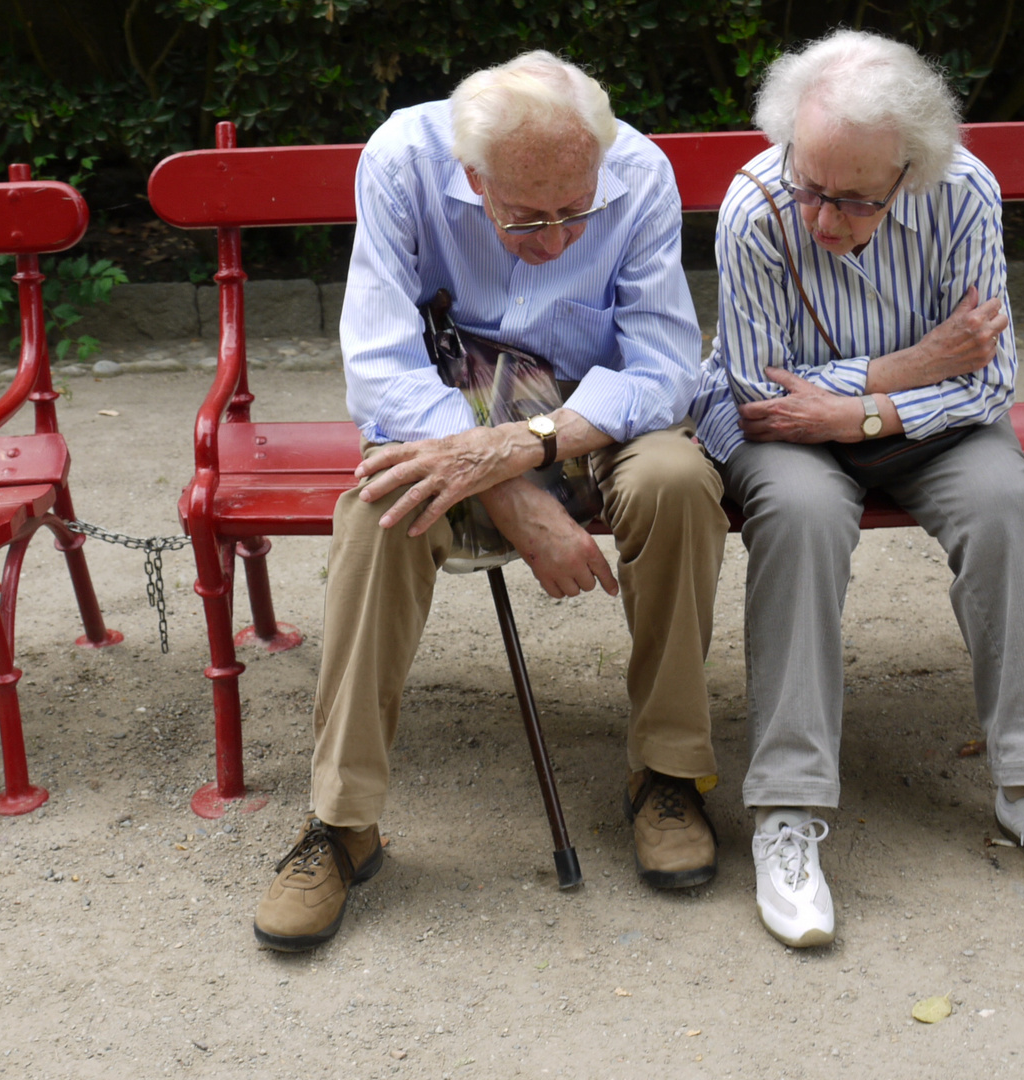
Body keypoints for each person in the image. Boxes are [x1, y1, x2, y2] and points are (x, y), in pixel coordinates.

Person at [252, 51, 729, 951]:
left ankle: (667, 774)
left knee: (676, 480)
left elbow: (666, 369)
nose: (555, 241)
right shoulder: (403, 158)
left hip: (594, 420)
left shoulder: (636, 169)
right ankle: (342, 824)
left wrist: (533, 445)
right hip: (446, 417)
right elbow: (383, 368)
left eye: (574, 212)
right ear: (473, 177)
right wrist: (516, 497)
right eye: (525, 217)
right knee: (378, 508)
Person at [692, 29, 1024, 949]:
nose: (821, 220)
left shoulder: (965, 194)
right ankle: (788, 813)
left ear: (910, 171)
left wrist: (855, 411)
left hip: (922, 428)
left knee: (1002, 504)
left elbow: (992, 383)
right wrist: (917, 363)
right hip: (784, 431)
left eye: (854, 201)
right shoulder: (757, 205)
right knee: (800, 514)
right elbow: (762, 396)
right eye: (811, 184)